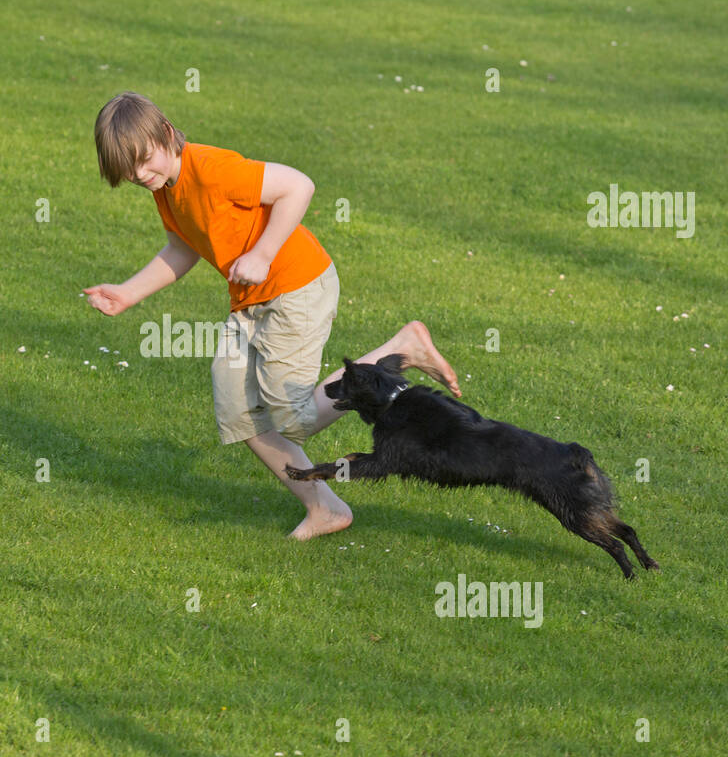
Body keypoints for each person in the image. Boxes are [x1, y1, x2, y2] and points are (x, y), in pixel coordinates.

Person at [85, 92, 459, 540]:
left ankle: (398, 350)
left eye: (145, 162)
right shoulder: (167, 189)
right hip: (252, 301)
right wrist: (127, 293)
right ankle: (325, 508)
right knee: (239, 412)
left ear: (166, 134)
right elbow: (182, 247)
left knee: (293, 419)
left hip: (296, 287)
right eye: (130, 173)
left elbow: (298, 185)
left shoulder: (214, 170)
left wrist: (262, 253)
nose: (141, 176)